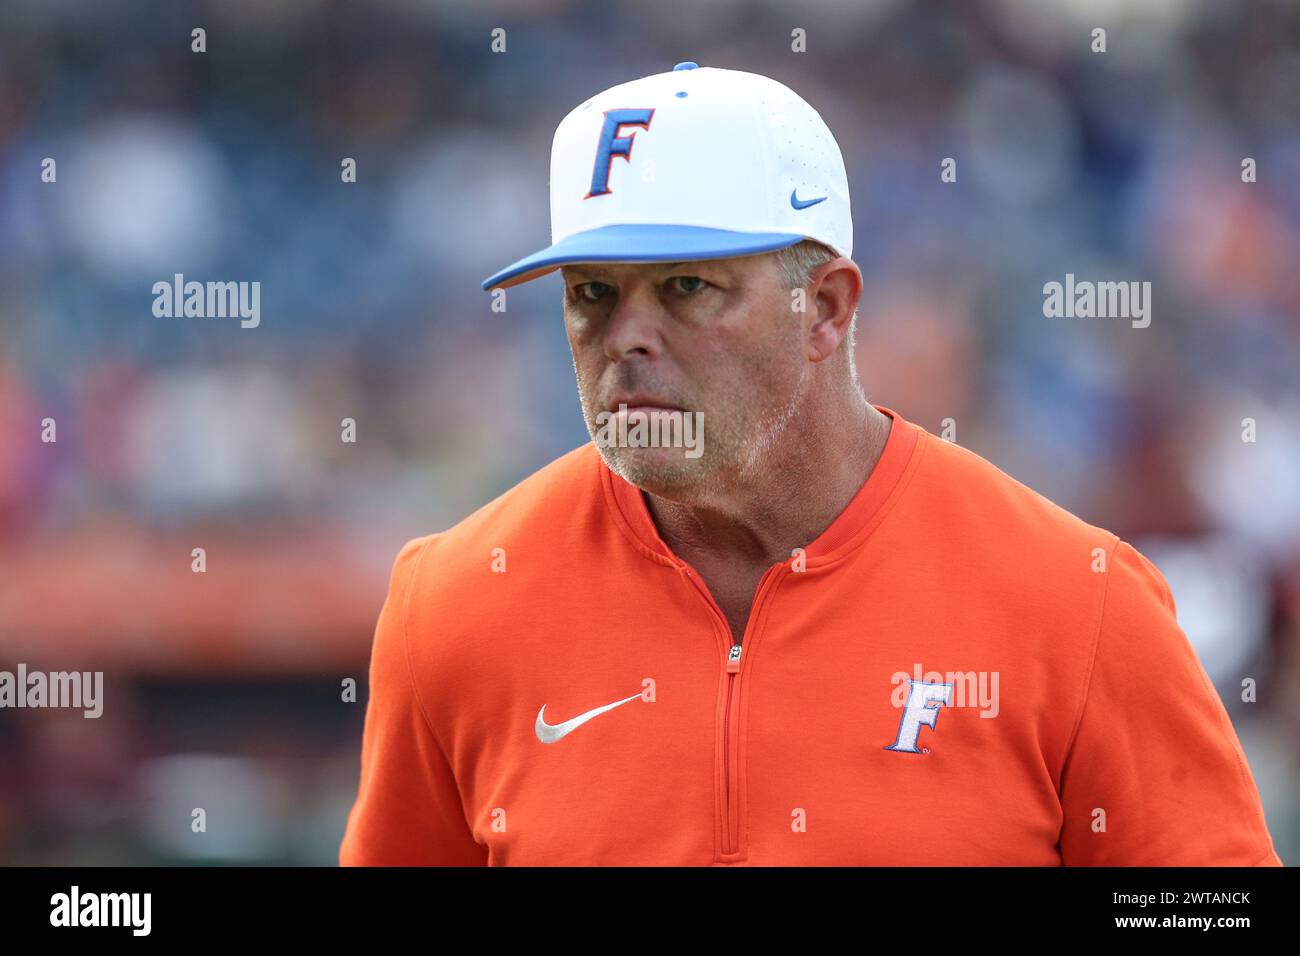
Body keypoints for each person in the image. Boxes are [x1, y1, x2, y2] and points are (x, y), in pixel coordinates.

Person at [339, 63, 1282, 865]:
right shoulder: (454, 603)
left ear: (825, 307)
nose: (626, 339)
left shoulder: (1080, 602)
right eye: (591, 292)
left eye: (686, 288)